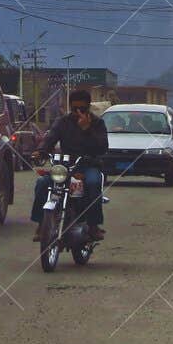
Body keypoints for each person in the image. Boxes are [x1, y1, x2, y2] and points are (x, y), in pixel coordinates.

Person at [31, 89, 109, 240]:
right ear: (70, 106)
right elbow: (50, 139)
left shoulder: (98, 123)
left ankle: (93, 226)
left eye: (82, 108)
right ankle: (42, 224)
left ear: (88, 107)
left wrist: (87, 130)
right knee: (42, 183)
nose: (78, 112)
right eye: (74, 108)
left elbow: (102, 147)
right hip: (65, 166)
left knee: (93, 183)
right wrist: (40, 151)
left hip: (89, 165)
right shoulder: (62, 122)